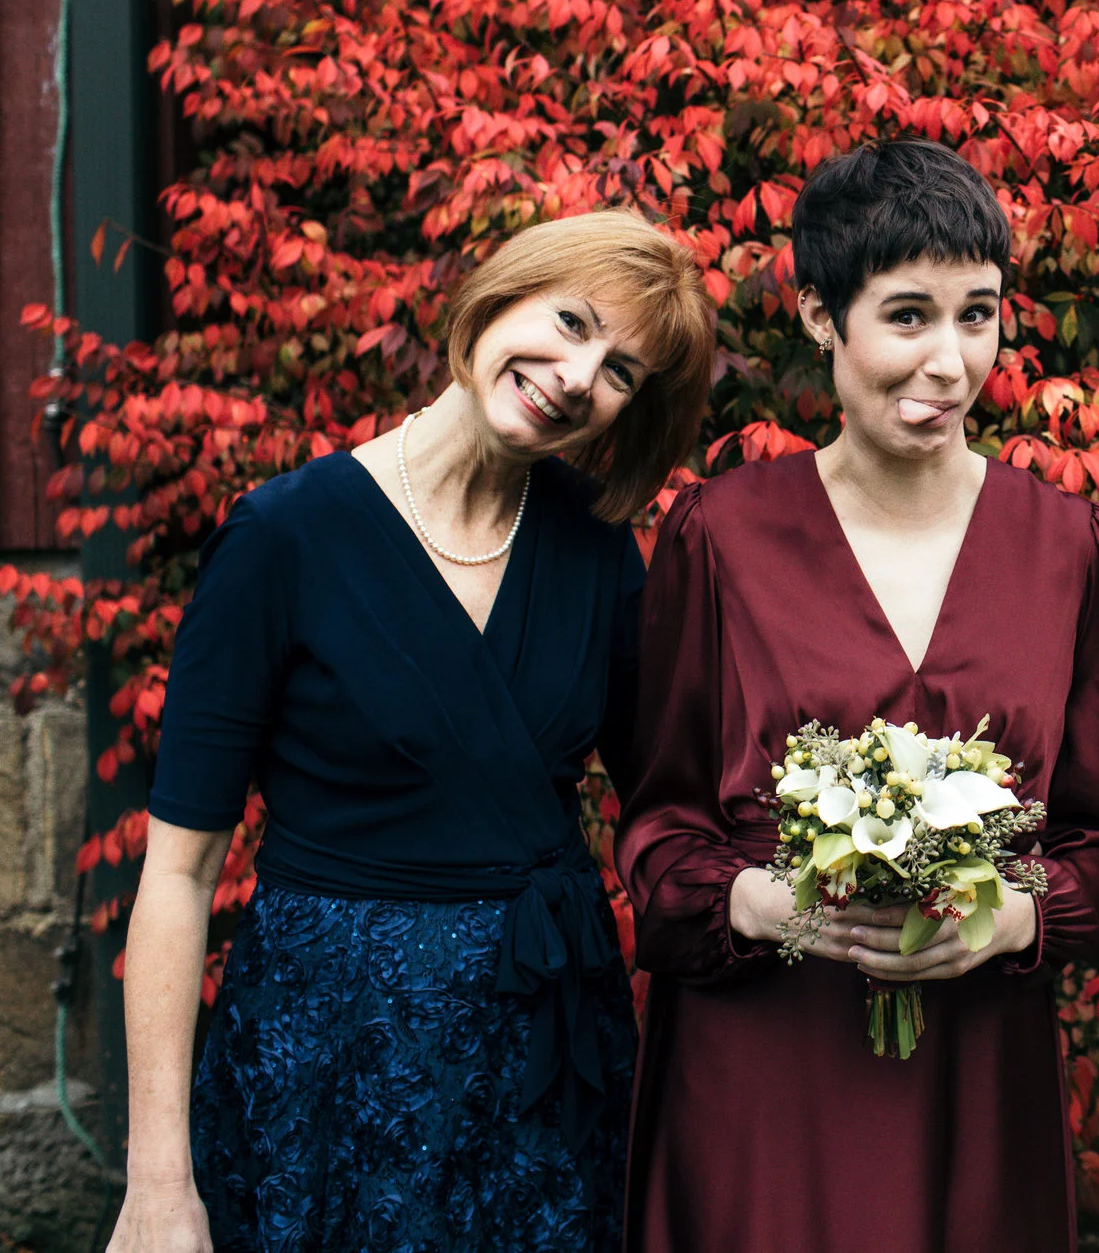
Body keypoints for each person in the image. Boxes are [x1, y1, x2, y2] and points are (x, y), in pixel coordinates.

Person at [106, 210, 716, 1253]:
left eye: (619, 369)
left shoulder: (600, 550)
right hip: (330, 1063)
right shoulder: (282, 534)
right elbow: (177, 871)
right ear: (499, 295)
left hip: (546, 1066)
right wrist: (158, 1183)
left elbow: (677, 795)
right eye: (568, 321)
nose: (576, 373)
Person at [607, 137, 1099, 1253]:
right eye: (908, 315)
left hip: (975, 1075)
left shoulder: (1072, 547)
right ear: (819, 315)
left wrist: (1012, 913)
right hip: (764, 1073)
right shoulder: (719, 538)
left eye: (978, 314)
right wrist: (758, 902)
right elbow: (657, 829)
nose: (949, 360)